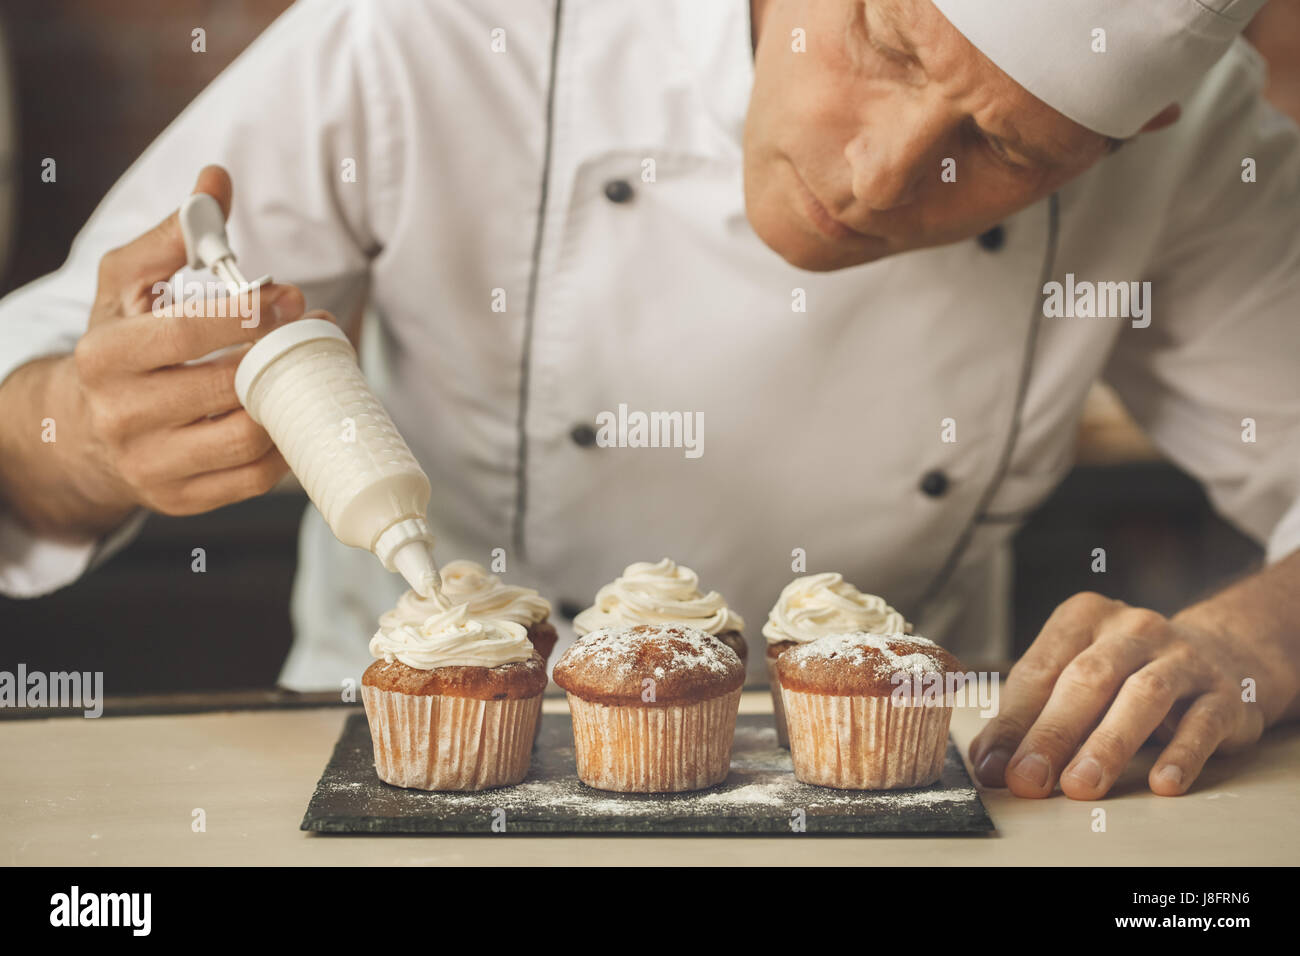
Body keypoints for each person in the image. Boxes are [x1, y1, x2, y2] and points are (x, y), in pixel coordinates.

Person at [0, 0, 1297, 801]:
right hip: (399, 774)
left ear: (1144, 122)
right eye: (886, 36)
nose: (882, 171)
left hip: (901, 797)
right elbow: (30, 404)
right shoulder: (433, 28)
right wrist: (88, 432)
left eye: (1007, 148)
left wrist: (1258, 639)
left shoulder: (1198, 144)